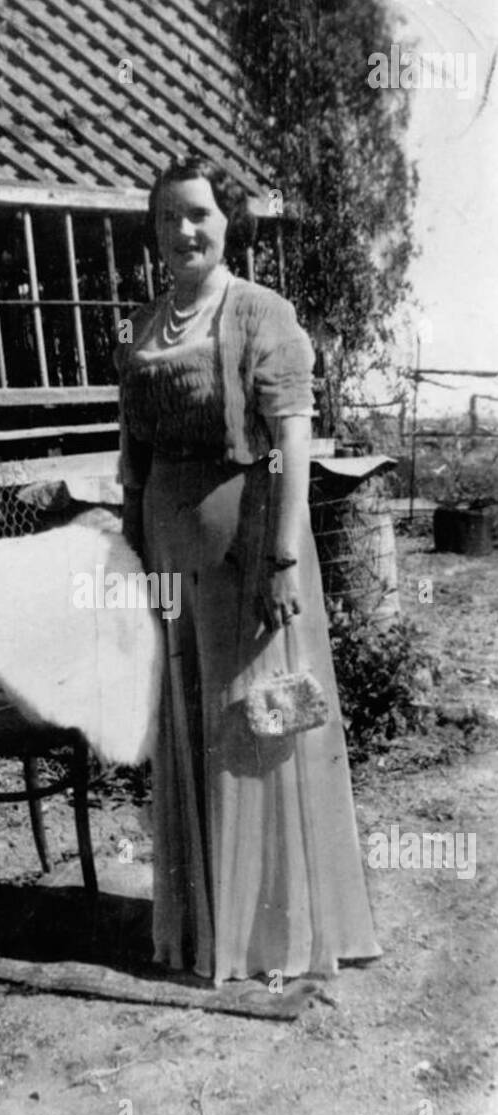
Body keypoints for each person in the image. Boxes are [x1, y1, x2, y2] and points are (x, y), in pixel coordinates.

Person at [115, 153, 381, 984]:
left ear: (229, 221)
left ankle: (272, 934)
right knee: (192, 726)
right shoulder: (150, 324)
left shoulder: (260, 312)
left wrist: (281, 558)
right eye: (168, 217)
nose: (183, 230)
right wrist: (132, 555)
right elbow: (133, 457)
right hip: (171, 559)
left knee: (255, 727)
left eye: (198, 213)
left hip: (251, 556)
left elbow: (294, 443)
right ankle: (203, 928)